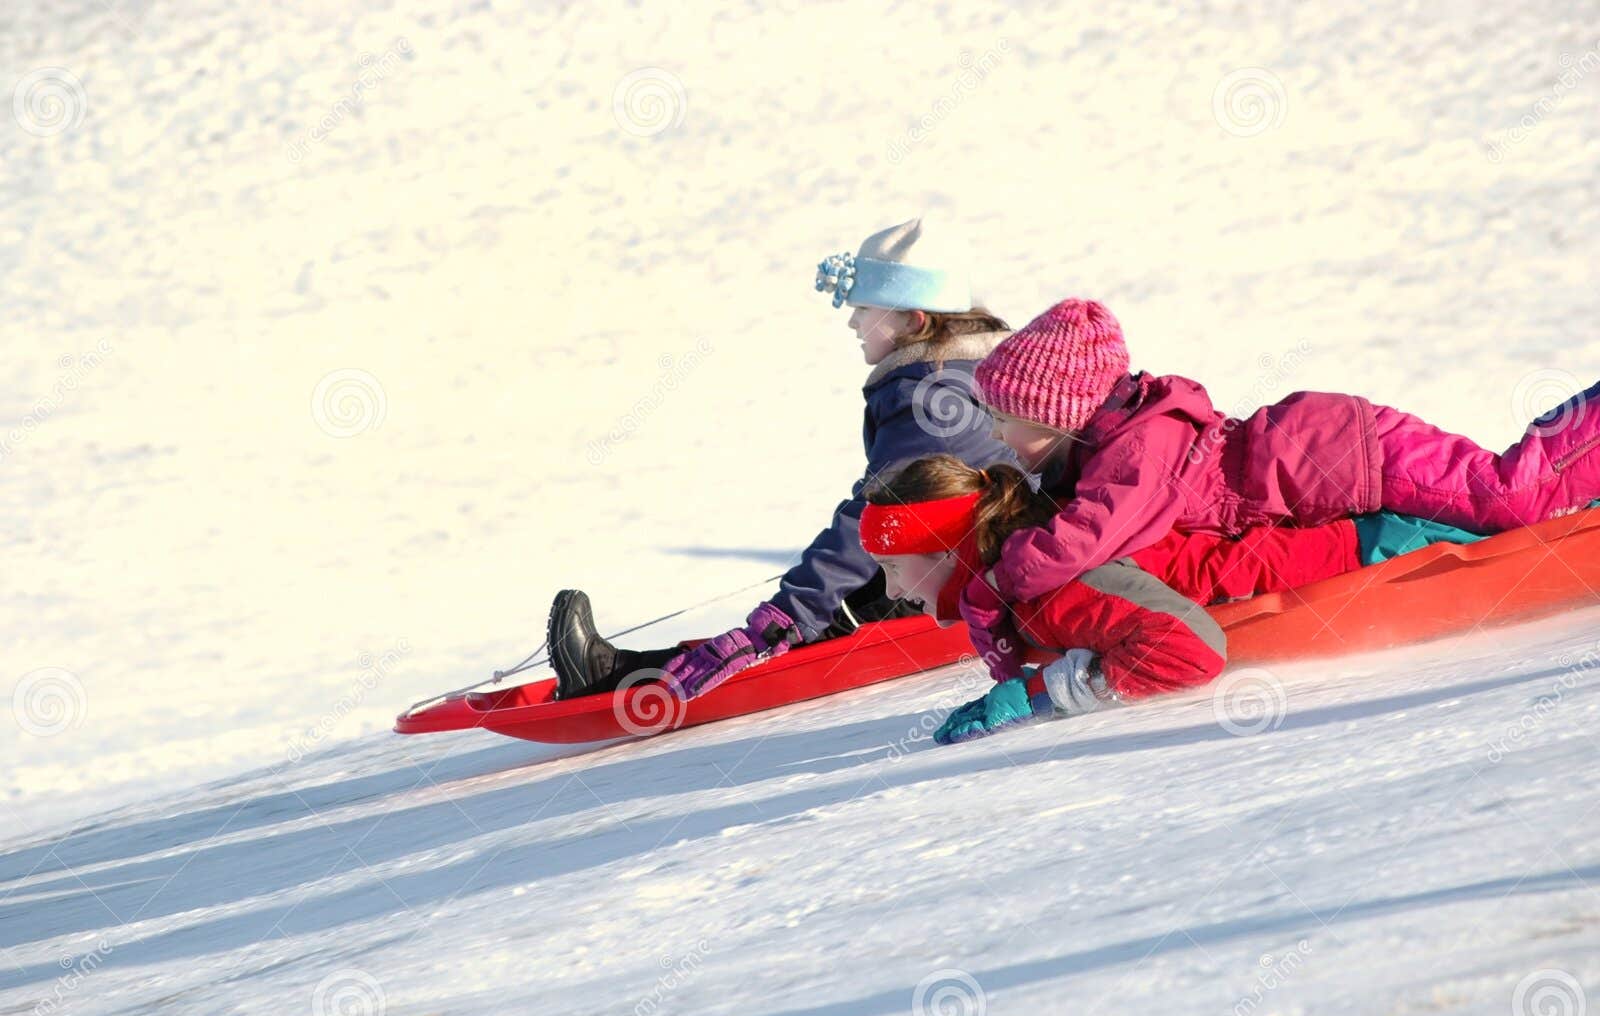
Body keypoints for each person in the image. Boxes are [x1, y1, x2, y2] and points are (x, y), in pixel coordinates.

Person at [959, 297, 1600, 680]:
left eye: (1007, 420)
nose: (997, 436)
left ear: (1059, 415)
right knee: (1502, 504)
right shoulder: (1113, 449)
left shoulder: (1133, 455)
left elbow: (1082, 540)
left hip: (1343, 453)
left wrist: (994, 586)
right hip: (1325, 451)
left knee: (1508, 498)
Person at [547, 216, 1019, 700]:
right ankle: (626, 669)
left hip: (955, 579)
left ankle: (613, 679)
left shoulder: (929, 400)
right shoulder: (967, 375)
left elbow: (876, 519)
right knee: (844, 598)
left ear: (913, 321)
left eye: (864, 310)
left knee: (826, 620)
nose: (853, 322)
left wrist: (785, 617)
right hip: (971, 562)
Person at [862, 454, 1521, 744]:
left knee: (1540, 528)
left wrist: (1041, 697)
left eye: (894, 569)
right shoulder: (1030, 566)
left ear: (947, 555)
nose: (890, 592)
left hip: (1369, 555)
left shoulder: (1049, 589)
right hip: (1345, 542)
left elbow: (1189, 648)